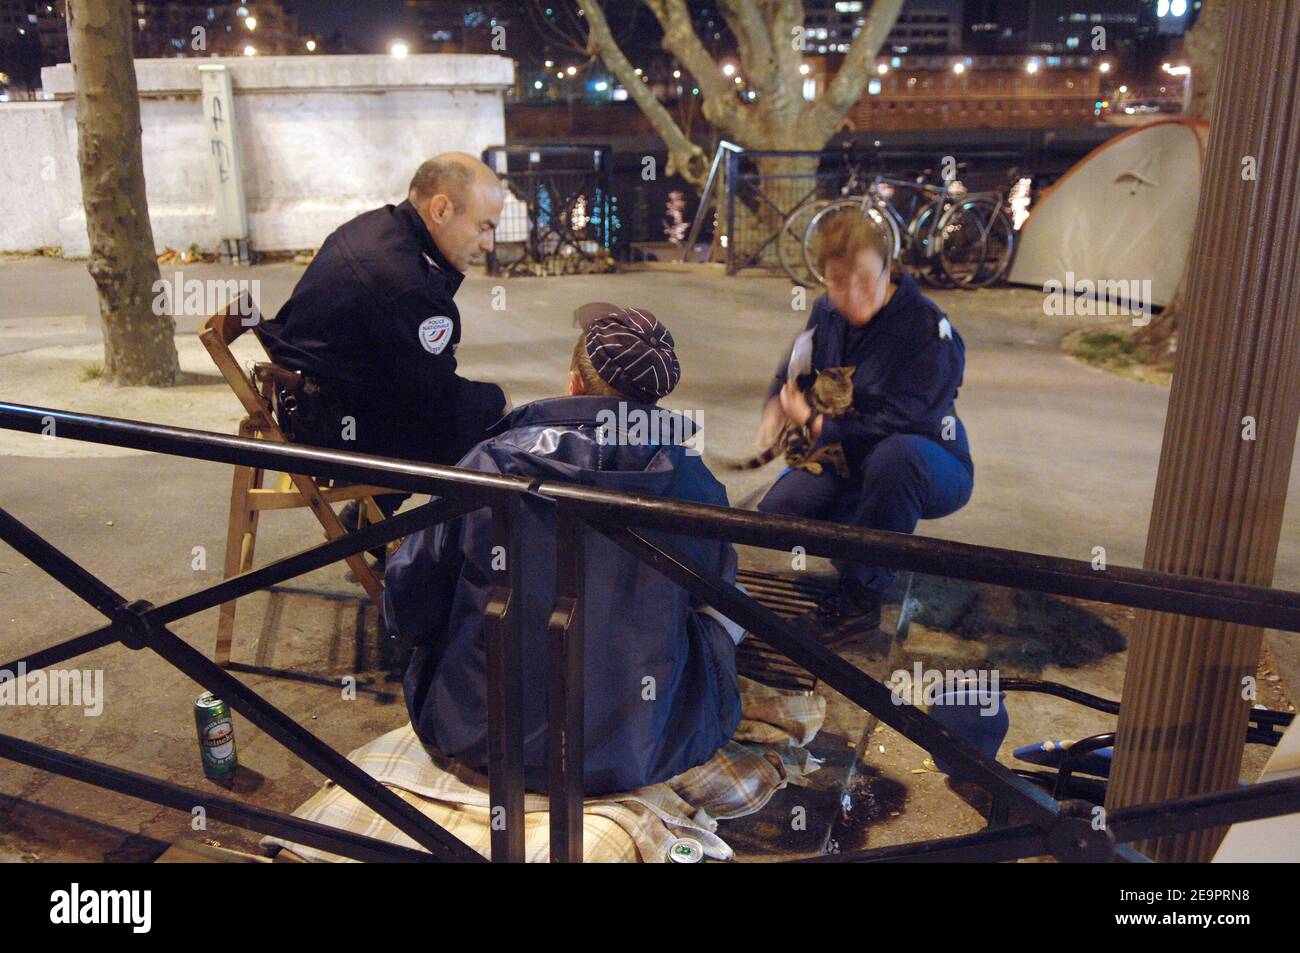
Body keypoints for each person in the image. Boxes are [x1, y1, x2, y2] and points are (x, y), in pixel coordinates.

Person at [383, 304, 745, 795]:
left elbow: (410, 596)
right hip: (649, 746)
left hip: (481, 736)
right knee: (731, 602)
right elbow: (716, 590)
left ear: (573, 384)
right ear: (655, 402)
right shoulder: (692, 482)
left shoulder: (491, 461)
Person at [257, 152, 510, 546]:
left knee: (459, 407)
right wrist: (498, 404)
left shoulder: (380, 227)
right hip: (325, 426)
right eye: (483, 227)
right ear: (441, 209)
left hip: (308, 397)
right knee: (491, 431)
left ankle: (371, 526)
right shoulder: (404, 281)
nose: (488, 244)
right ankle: (453, 565)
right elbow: (434, 397)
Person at [755, 211, 974, 646]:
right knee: (779, 513)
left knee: (897, 456)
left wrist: (816, 425)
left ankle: (859, 601)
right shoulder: (826, 311)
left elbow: (900, 422)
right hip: (850, 460)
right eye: (837, 280)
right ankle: (877, 548)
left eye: (865, 278)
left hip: (929, 461)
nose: (852, 294)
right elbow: (798, 360)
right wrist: (775, 405)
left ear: (889, 267)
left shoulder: (930, 329)